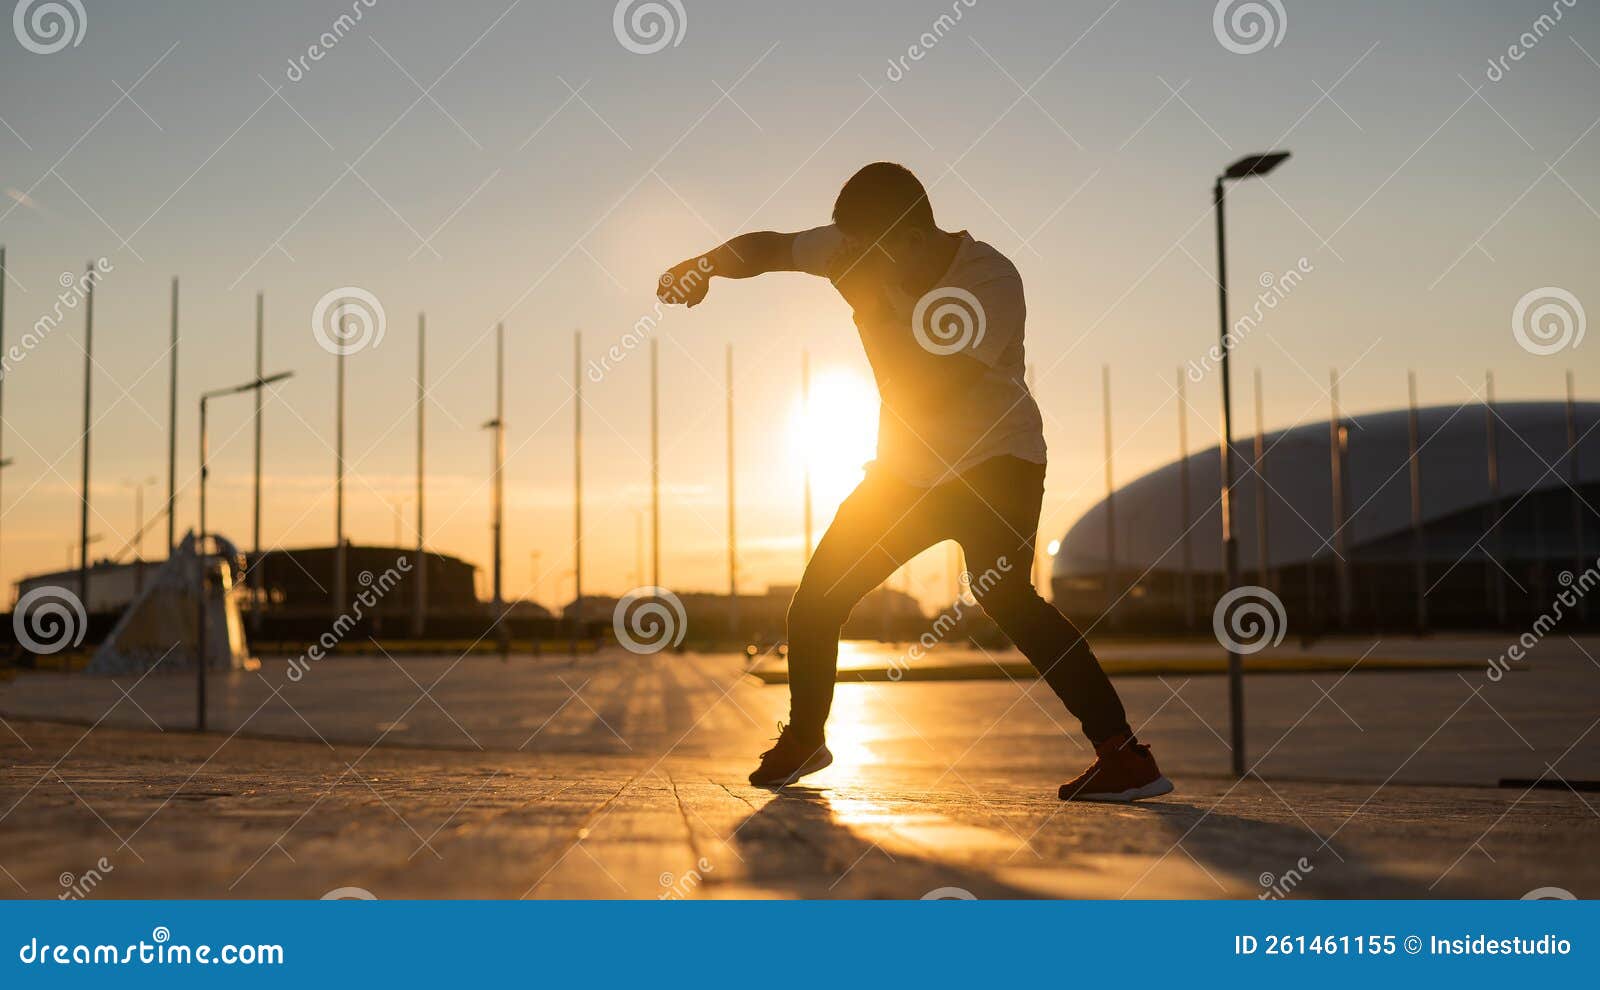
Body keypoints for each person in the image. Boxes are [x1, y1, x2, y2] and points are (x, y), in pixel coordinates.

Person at [657, 162, 1171, 802]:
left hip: (997, 465)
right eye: (852, 252)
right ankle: (807, 737)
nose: (858, 265)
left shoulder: (987, 279)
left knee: (1008, 600)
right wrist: (702, 266)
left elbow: (935, 384)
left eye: (873, 254)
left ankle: (1123, 755)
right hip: (906, 473)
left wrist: (873, 306)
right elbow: (769, 249)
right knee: (816, 601)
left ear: (912, 236)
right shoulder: (852, 250)